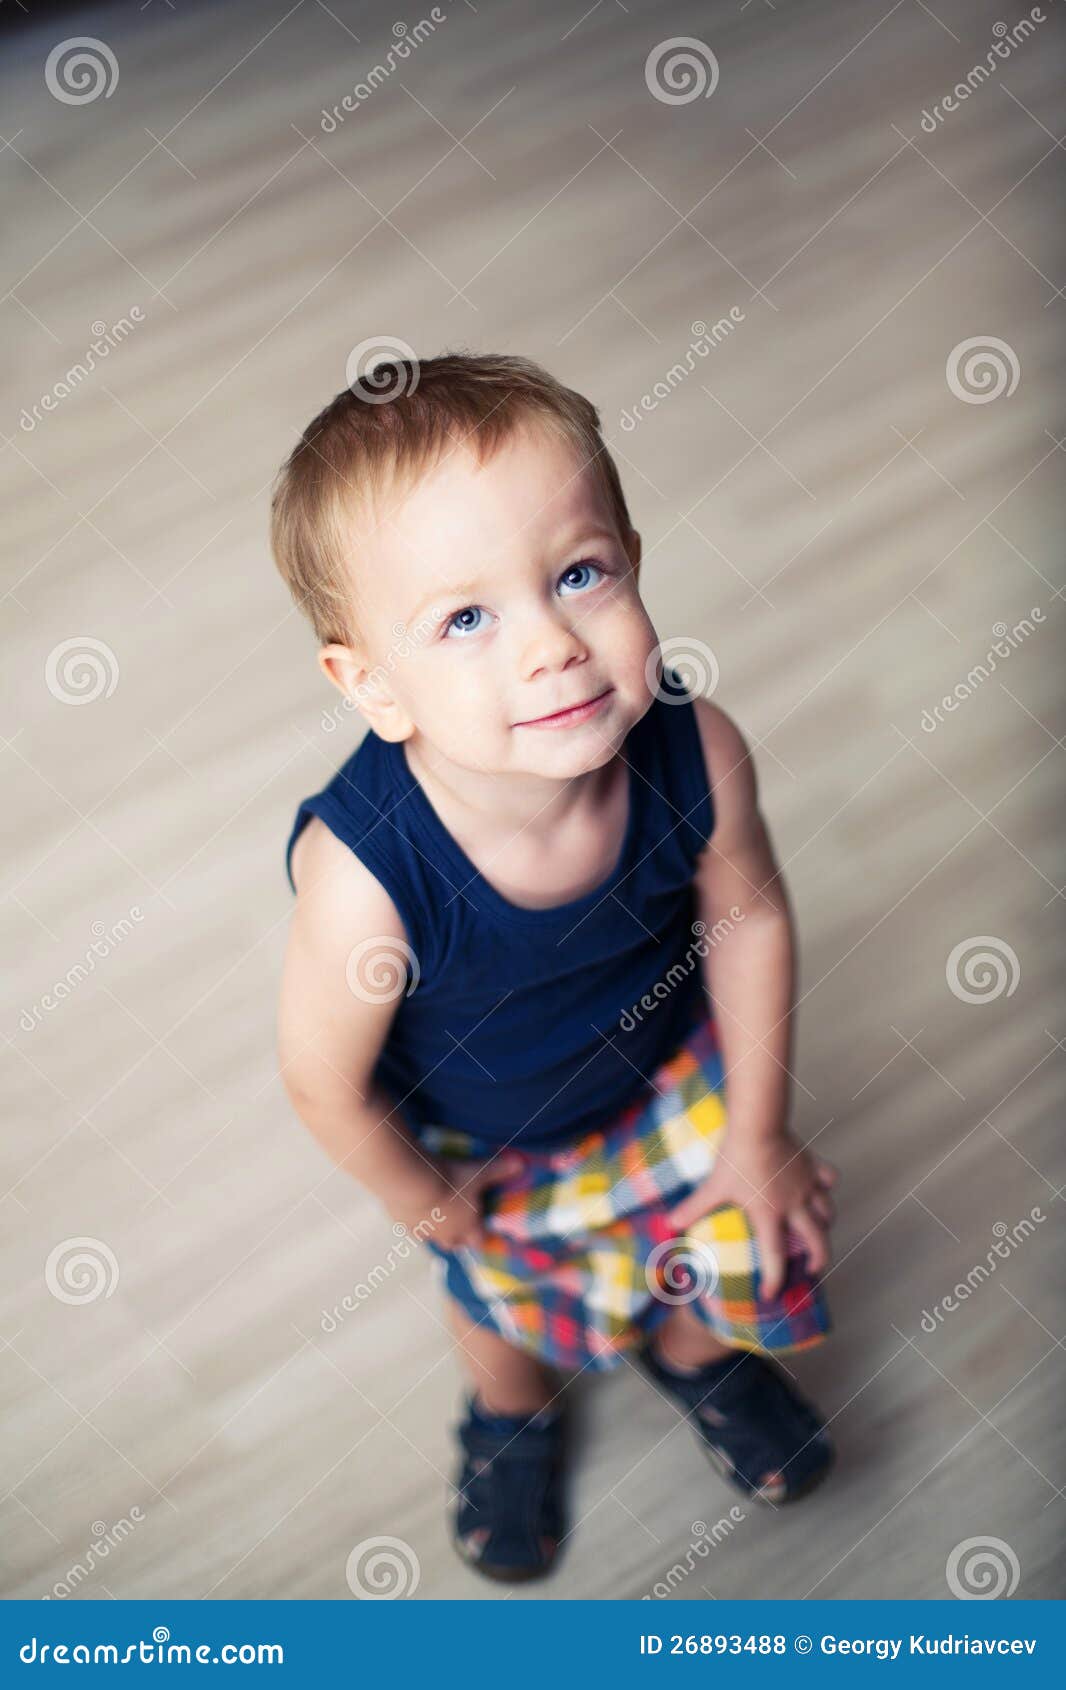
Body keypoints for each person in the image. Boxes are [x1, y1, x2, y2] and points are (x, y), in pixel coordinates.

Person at [272, 351, 838, 1584]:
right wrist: (420, 1200)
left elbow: (747, 913)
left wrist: (757, 1129)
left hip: (660, 1071)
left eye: (580, 574)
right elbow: (323, 1081)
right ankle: (510, 1416)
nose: (552, 647)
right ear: (369, 682)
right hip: (490, 1147)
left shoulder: (696, 749)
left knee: (739, 1238)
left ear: (634, 557)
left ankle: (692, 1357)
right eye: (465, 617)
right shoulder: (366, 881)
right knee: (501, 1316)